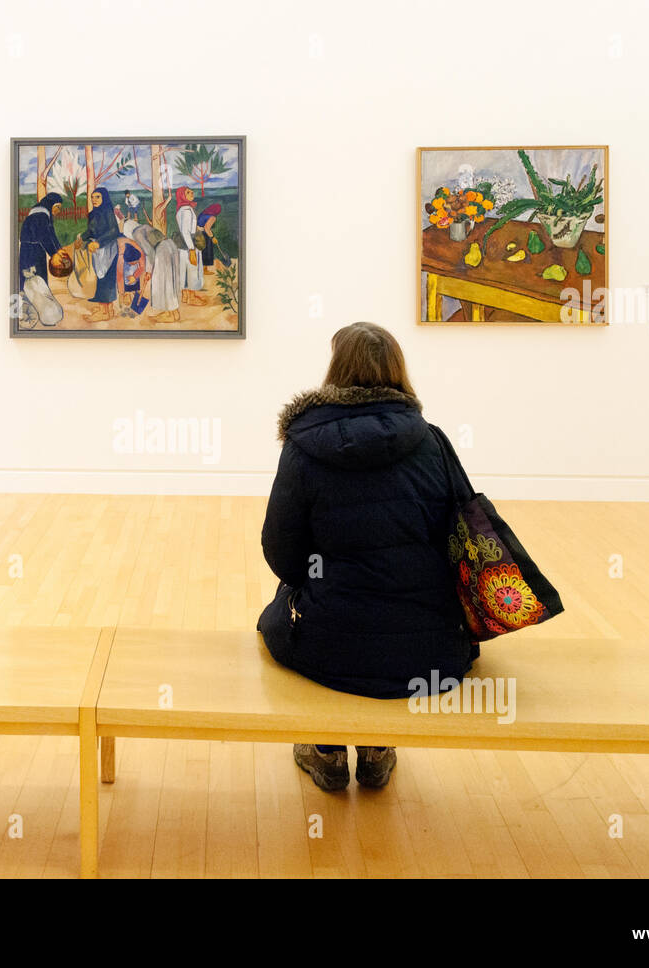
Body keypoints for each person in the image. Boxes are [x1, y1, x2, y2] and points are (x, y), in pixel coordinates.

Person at [256, 322, 477, 792]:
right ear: (398, 372)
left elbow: (281, 553)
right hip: (427, 651)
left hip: (330, 644)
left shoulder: (303, 446)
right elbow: (462, 540)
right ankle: (377, 746)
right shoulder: (432, 443)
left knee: (283, 608)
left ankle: (327, 748)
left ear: (335, 371)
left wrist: (308, 583)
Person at [81, 187, 121, 322]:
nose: (94, 200)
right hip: (97, 251)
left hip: (108, 249)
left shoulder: (108, 212)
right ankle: (107, 309)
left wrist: (99, 243)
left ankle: (105, 312)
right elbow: (91, 230)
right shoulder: (92, 214)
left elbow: (114, 231)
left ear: (104, 198)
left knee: (107, 279)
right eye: (92, 197)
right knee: (100, 277)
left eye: (97, 197)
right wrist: (81, 237)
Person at [129, 221, 182, 322]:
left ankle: (170, 315)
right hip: (171, 245)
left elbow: (150, 252)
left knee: (163, 283)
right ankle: (174, 312)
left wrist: (148, 271)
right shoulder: (146, 227)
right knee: (171, 281)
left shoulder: (137, 234)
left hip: (162, 251)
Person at [17, 191, 64, 292]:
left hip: (35, 248)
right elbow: (45, 236)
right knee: (34, 279)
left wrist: (58, 249)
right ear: (51, 205)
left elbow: (51, 233)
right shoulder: (40, 214)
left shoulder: (43, 214)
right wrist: (53, 254)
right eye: (58, 207)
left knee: (36, 280)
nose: (59, 211)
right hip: (31, 250)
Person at [173, 186, 206, 305]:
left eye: (191, 191)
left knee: (184, 270)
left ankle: (185, 296)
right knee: (192, 270)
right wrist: (192, 249)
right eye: (188, 192)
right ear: (182, 195)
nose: (192, 192)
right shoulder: (186, 210)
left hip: (182, 246)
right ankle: (191, 298)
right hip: (189, 244)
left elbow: (184, 229)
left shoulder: (182, 209)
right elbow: (186, 231)